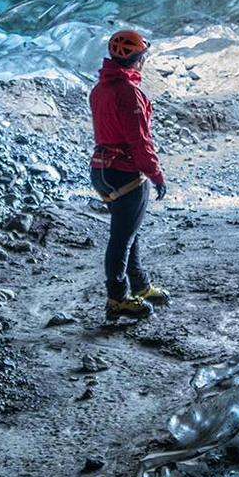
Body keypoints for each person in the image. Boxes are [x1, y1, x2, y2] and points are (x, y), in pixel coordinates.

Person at [89, 28, 169, 319]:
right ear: (138, 59)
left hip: (101, 170)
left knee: (127, 231)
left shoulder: (100, 89)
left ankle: (139, 285)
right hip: (125, 173)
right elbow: (139, 141)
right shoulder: (129, 93)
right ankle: (118, 298)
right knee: (122, 238)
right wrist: (156, 174)